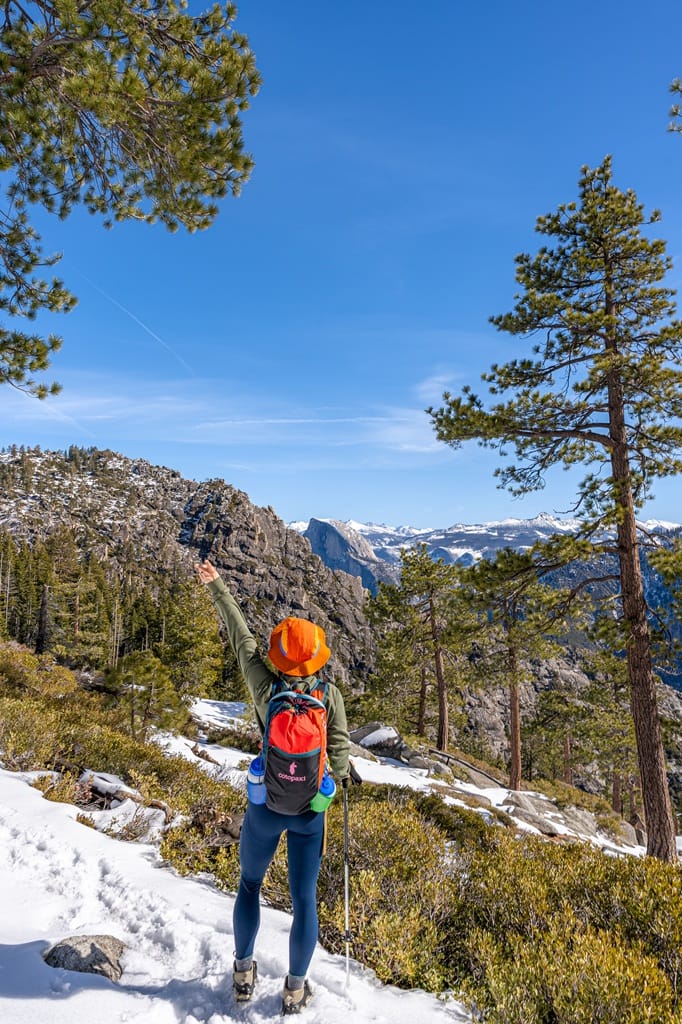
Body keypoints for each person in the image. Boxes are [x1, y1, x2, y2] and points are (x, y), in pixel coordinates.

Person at [195, 559, 351, 1016]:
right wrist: (335, 782)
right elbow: (340, 750)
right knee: (304, 901)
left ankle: (243, 974)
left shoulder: (265, 688)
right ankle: (295, 990)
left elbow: (241, 637)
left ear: (279, 657)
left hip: (265, 805)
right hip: (309, 812)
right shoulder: (329, 696)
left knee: (249, 884)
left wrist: (218, 587)